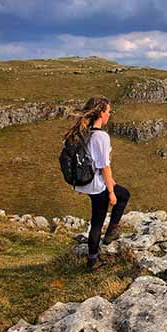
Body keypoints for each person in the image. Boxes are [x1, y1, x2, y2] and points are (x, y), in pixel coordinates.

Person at [62, 96, 130, 270]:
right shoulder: (100, 136)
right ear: (101, 113)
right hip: (97, 185)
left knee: (123, 195)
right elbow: (104, 166)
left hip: (86, 183)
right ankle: (94, 259)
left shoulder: (82, 133)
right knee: (98, 221)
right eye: (108, 112)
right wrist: (111, 192)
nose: (109, 115)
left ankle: (109, 235)